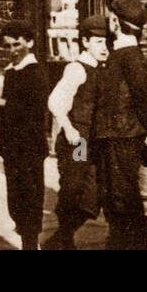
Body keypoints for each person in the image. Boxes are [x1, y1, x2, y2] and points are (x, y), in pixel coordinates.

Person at [91, 0, 147, 250]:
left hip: (123, 137)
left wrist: (139, 132)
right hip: (113, 136)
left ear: (117, 23)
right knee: (112, 195)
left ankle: (128, 244)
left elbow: (144, 98)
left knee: (122, 197)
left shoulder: (129, 55)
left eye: (112, 19)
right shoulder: (121, 53)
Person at [44, 14, 107, 250]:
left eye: (106, 41)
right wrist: (68, 128)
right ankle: (63, 240)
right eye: (98, 41)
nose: (104, 47)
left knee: (93, 193)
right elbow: (55, 101)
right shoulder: (76, 69)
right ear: (85, 42)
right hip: (78, 141)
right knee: (74, 186)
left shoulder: (100, 68)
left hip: (93, 140)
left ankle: (61, 239)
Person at [0, 20, 49, 250]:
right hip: (12, 148)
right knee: (15, 200)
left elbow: (34, 109)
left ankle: (30, 244)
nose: (13, 50)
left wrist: (4, 107)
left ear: (30, 43)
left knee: (30, 198)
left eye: (17, 44)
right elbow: (8, 109)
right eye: (8, 46)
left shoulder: (36, 72)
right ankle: (26, 235)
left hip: (30, 147)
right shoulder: (11, 72)